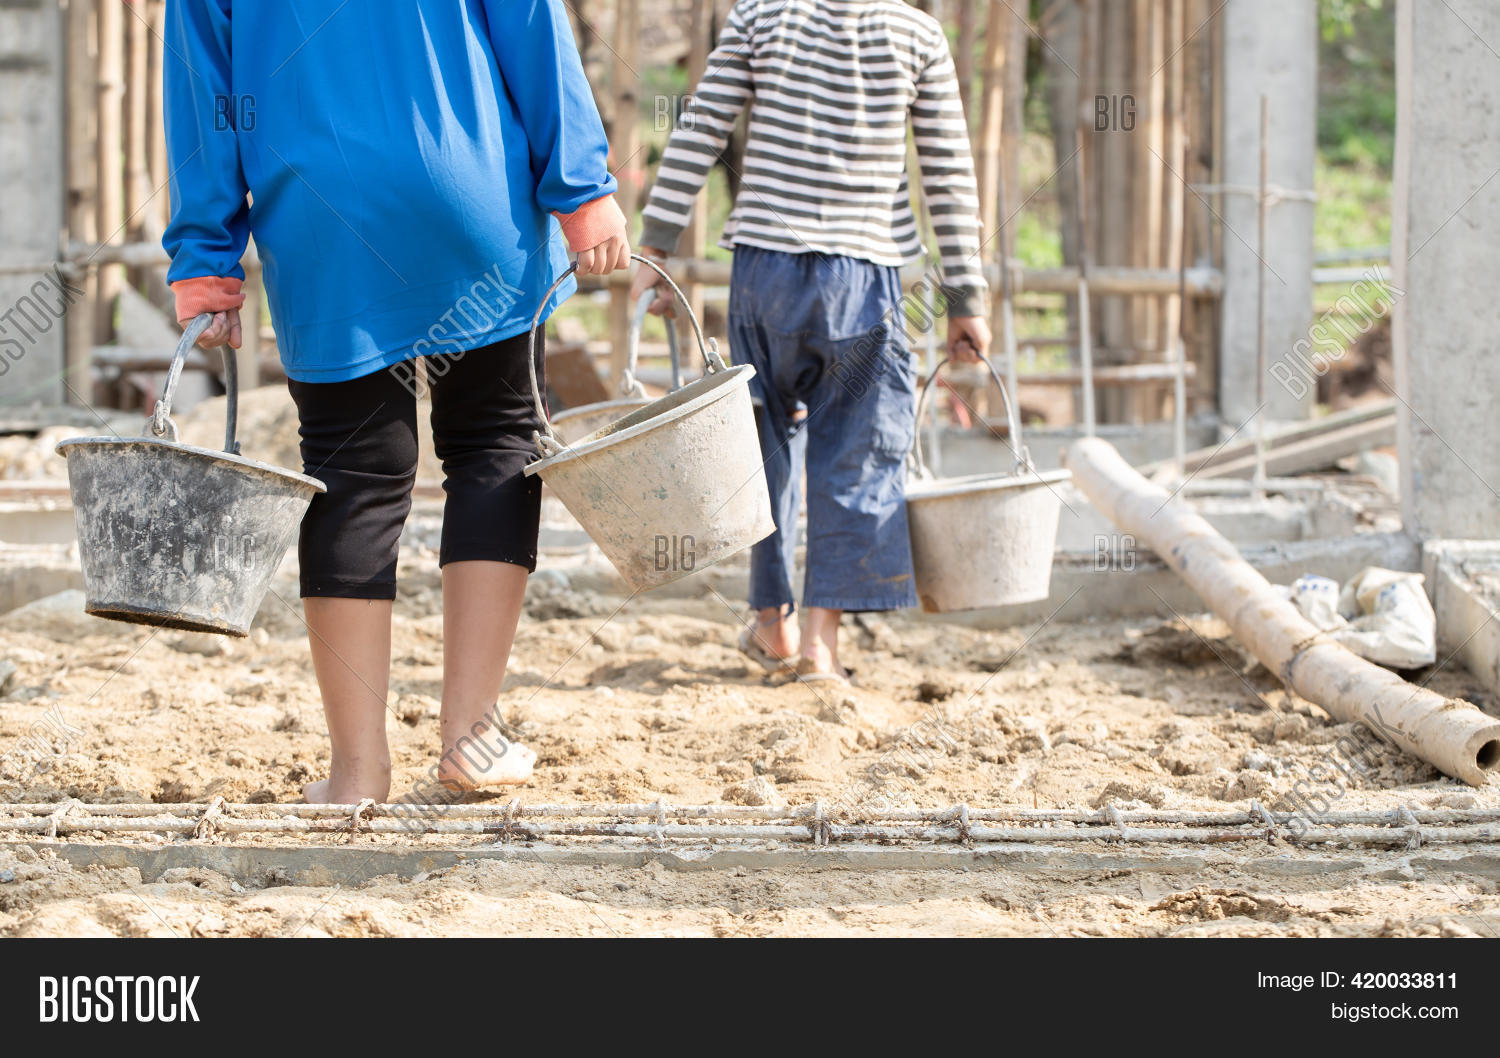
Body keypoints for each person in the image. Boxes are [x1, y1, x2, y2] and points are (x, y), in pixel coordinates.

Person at [162, 0, 630, 804]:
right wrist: (581, 187)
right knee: (494, 444)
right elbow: (531, 33)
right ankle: (472, 739)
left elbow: (207, 90)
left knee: (352, 477)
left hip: (321, 218)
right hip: (470, 191)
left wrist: (205, 254)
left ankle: (357, 772)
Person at [632, 0, 990, 684]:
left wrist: (656, 245)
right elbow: (949, 175)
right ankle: (822, 641)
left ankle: (773, 622)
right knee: (855, 454)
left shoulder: (760, 17)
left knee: (761, 447)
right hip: (863, 281)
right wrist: (966, 298)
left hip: (765, 275)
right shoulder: (916, 35)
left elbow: (699, 128)